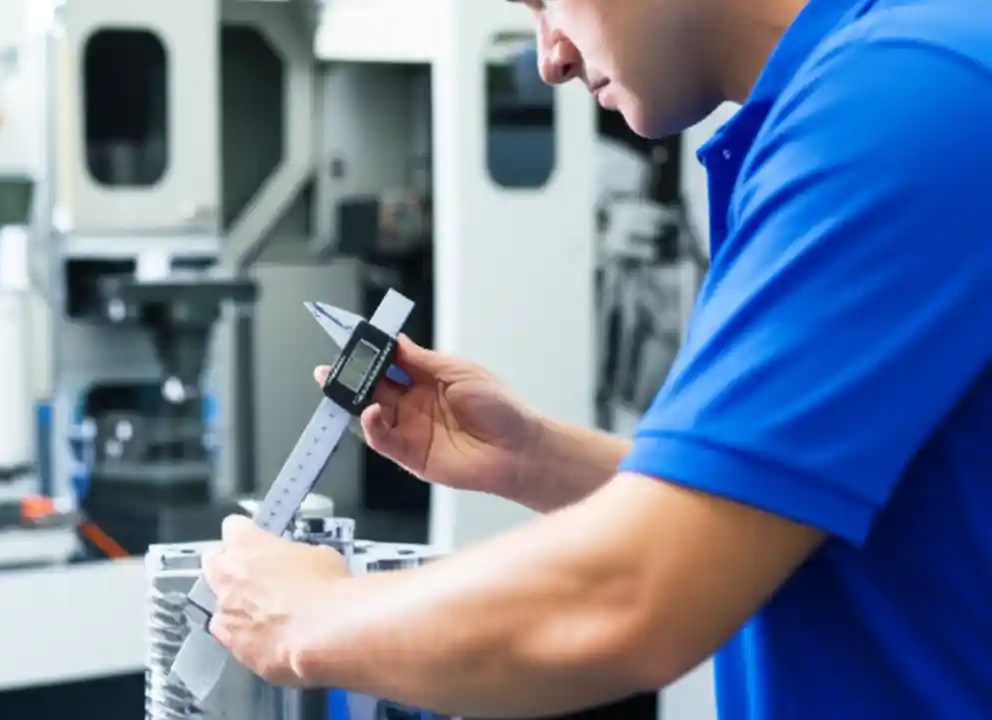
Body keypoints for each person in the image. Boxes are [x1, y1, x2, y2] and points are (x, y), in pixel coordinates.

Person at [201, 0, 992, 716]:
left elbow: (635, 601)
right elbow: (806, 522)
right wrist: (537, 459)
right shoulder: (874, 91)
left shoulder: (905, 100)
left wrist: (309, 620)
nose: (549, 57)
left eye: (546, 3)